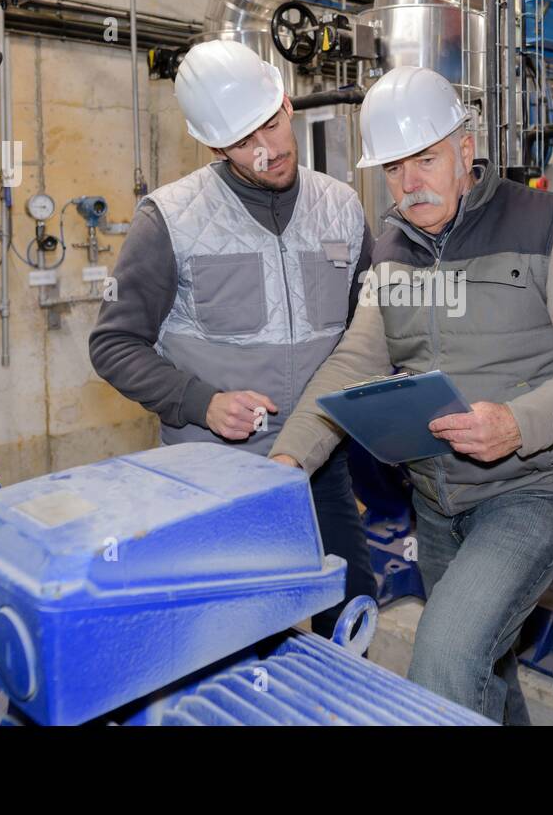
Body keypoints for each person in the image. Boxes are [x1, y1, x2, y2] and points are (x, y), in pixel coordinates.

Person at [268, 65, 553, 722]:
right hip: (438, 498)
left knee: (445, 658)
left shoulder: (547, 226)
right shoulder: (392, 249)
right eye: (393, 168)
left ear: (465, 150)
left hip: (536, 485)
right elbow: (355, 361)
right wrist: (288, 459)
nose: (409, 183)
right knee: (483, 665)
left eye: (425, 159)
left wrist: (520, 422)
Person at [89, 39, 378, 637]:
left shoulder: (343, 208)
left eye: (271, 125)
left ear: (287, 104)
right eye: (244, 142)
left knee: (350, 616)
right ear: (214, 146)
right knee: (234, 636)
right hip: (212, 471)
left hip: (318, 462)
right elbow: (114, 345)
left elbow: (367, 334)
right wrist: (202, 402)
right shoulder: (170, 219)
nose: (267, 150)